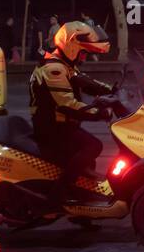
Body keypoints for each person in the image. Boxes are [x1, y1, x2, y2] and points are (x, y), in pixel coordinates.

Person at [29, 20, 117, 206]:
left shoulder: (64, 65)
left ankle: (81, 203)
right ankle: (57, 194)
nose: (84, 57)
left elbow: (84, 82)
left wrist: (112, 91)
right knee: (93, 146)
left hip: (61, 125)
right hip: (51, 128)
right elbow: (67, 105)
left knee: (87, 160)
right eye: (83, 52)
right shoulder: (53, 69)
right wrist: (99, 112)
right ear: (71, 46)